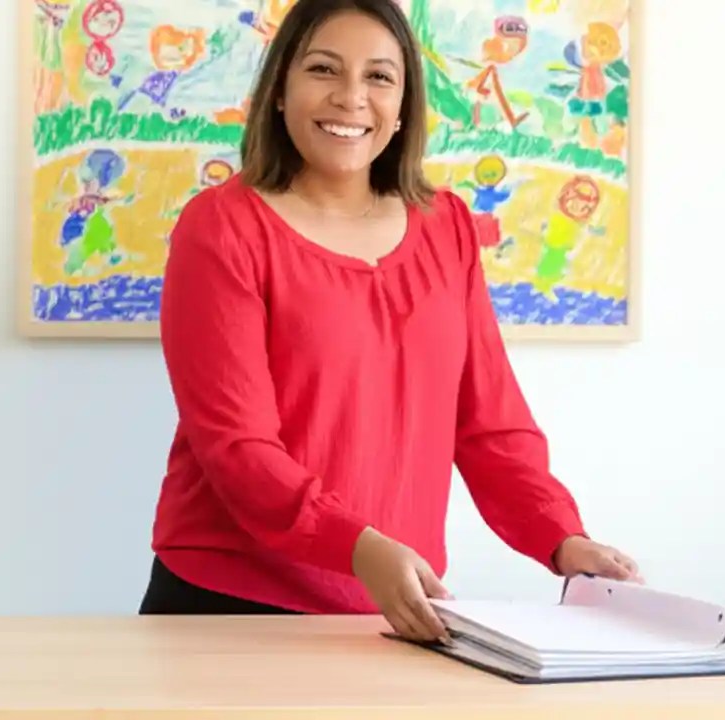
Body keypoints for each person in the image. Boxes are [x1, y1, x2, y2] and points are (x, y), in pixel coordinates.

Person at [139, 0, 640, 643]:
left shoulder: (448, 227)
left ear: (403, 105)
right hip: (229, 608)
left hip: (395, 608)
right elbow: (237, 450)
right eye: (324, 69)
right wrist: (360, 548)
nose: (351, 97)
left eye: (379, 77)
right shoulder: (221, 229)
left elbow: (490, 424)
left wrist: (562, 538)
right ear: (280, 93)